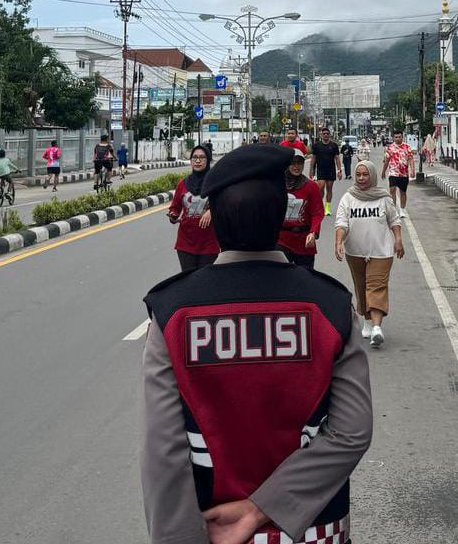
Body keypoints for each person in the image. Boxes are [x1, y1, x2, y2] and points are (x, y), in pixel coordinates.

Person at [142, 145, 372, 544]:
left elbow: (165, 453)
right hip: (314, 531)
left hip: (213, 528)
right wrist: (264, 507)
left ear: (214, 222)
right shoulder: (332, 307)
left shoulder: (172, 313)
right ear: (283, 215)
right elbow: (352, 433)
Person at [335, 160, 405, 348]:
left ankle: (376, 328)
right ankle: (367, 319)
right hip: (355, 252)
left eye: (365, 174)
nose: (362, 178)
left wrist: (398, 239)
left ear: (372, 175)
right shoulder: (348, 198)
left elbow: (394, 220)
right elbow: (342, 222)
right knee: (361, 287)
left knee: (376, 286)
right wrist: (339, 241)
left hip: (381, 252)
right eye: (358, 175)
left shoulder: (383, 198)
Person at [165, 145, 218, 271]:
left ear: (208, 160)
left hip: (209, 243)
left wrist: (211, 211)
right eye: (194, 157)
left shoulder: (215, 184)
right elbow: (175, 207)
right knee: (188, 281)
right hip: (186, 243)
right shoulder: (183, 184)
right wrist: (173, 215)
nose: (198, 161)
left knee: (204, 281)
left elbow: (224, 205)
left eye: (201, 157)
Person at [279, 148, 324, 268]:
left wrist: (313, 232)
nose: (296, 166)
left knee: (306, 278)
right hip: (281, 239)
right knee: (280, 278)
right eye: (293, 163)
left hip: (303, 240)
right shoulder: (277, 185)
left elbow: (317, 212)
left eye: (300, 163)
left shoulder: (311, 186)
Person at [381, 129, 416, 218]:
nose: (398, 139)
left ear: (402, 137)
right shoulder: (390, 148)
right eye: (396, 137)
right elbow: (387, 160)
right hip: (393, 172)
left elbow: (411, 159)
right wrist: (383, 171)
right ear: (393, 138)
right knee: (392, 190)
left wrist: (413, 170)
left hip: (404, 174)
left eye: (399, 137)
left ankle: (402, 210)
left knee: (403, 192)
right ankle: (394, 210)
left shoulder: (407, 147)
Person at [310, 127, 343, 216]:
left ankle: (327, 208)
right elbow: (313, 159)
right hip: (320, 170)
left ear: (329, 135)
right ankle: (320, 206)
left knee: (329, 188)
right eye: (324, 134)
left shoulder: (334, 146)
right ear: (321, 135)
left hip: (331, 170)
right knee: (320, 188)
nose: (325, 135)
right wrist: (311, 171)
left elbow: (337, 158)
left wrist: (339, 170)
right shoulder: (316, 145)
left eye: (327, 134)